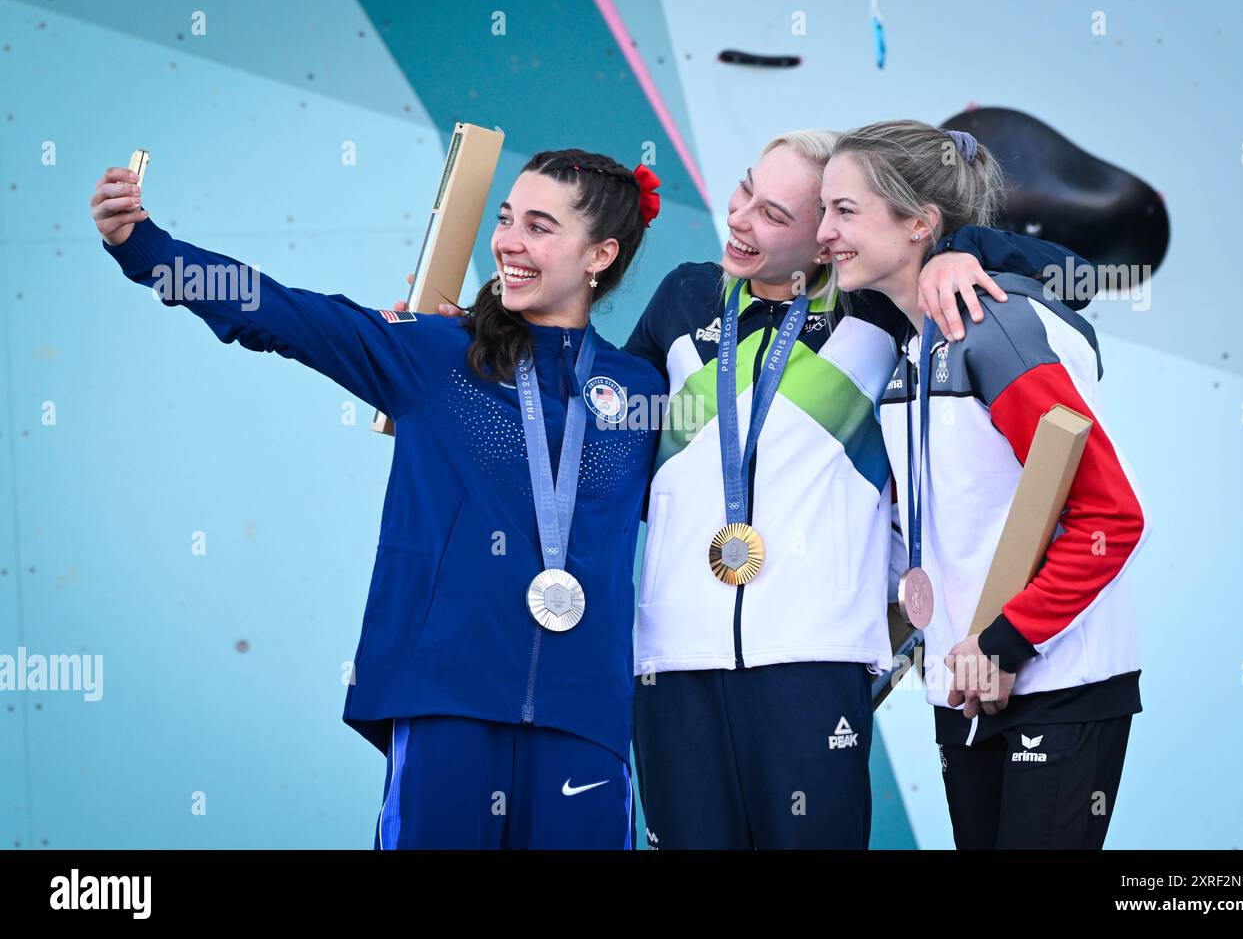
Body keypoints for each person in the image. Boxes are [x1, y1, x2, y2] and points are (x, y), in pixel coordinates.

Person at [428, 129, 1096, 848]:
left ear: (827, 240)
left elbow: (1077, 280)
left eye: (776, 215)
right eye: (745, 190)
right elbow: (596, 413)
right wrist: (478, 350)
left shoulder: (873, 308)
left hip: (814, 657)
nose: (740, 219)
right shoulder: (686, 295)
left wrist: (972, 251)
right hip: (674, 657)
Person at [91, 149, 667, 849]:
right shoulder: (436, 355)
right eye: (507, 219)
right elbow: (280, 313)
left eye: (540, 227)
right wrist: (145, 247)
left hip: (585, 715)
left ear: (600, 253)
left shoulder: (641, 393)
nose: (509, 241)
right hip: (445, 698)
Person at [817, 119, 1148, 848]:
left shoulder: (996, 327)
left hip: (1056, 686)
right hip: (966, 688)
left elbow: (1110, 517)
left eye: (844, 211)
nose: (823, 232)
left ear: (919, 224)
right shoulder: (908, 341)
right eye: (821, 210)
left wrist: (1005, 644)